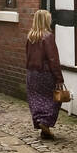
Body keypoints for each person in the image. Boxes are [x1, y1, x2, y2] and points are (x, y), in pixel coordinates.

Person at [25, 9, 64, 140]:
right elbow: (53, 59)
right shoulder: (48, 37)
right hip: (45, 74)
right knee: (54, 99)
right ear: (45, 20)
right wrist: (59, 78)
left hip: (32, 74)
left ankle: (43, 128)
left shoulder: (30, 36)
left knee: (36, 99)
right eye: (49, 18)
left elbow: (27, 55)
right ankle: (45, 122)